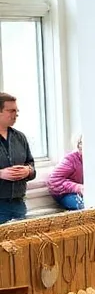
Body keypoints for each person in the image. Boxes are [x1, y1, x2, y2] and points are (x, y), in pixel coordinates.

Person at [0, 92, 35, 224]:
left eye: (17, 111)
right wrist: (1, 174)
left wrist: (28, 170)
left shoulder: (20, 137)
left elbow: (31, 165)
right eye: (11, 111)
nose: (16, 115)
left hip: (18, 204)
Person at [48, 135, 85, 210]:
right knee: (84, 205)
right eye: (80, 143)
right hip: (64, 193)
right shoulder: (70, 159)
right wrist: (78, 187)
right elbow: (53, 181)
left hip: (83, 191)